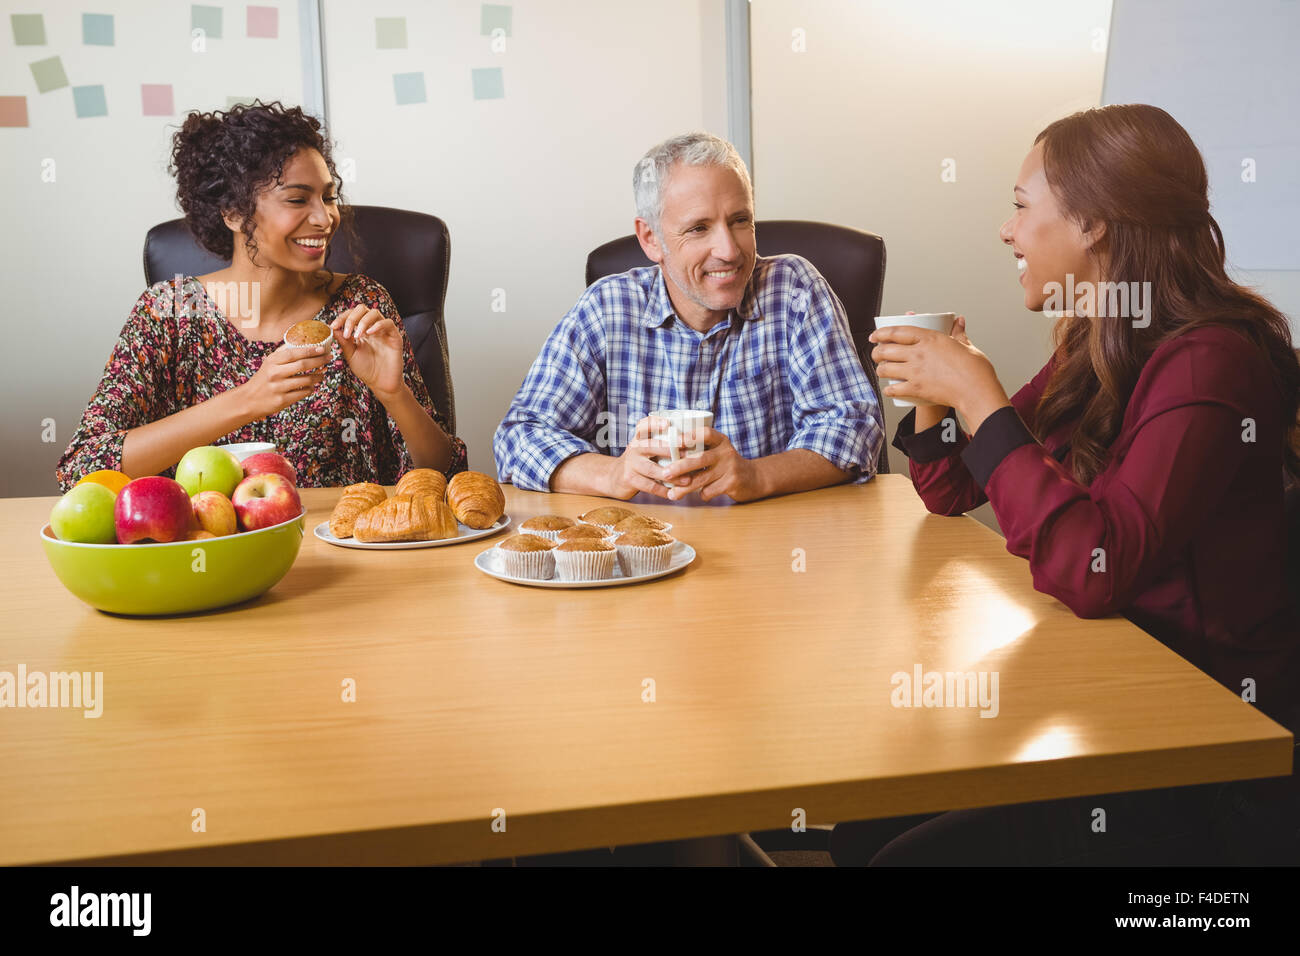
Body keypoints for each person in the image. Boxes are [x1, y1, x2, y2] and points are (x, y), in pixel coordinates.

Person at [831, 104, 1300, 866]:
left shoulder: (1208, 362)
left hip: (1198, 744)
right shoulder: (1103, 333)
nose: (1007, 232)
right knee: (866, 818)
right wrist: (938, 390)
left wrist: (980, 397)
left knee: (895, 857)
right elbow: (949, 491)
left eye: (1022, 207)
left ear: (1095, 224)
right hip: (1108, 683)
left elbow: (1095, 567)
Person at [56, 100, 465, 491]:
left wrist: (396, 396)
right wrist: (250, 398)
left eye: (328, 196)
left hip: (343, 548)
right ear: (233, 213)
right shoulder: (173, 310)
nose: (325, 218)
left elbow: (445, 472)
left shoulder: (361, 303)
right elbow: (83, 468)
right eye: (297, 199)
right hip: (214, 554)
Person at [492, 131, 883, 504]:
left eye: (740, 220)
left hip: (775, 545)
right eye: (699, 228)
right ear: (651, 239)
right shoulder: (606, 307)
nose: (728, 250)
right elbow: (519, 438)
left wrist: (756, 476)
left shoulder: (793, 290)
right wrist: (613, 475)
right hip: (646, 547)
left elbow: (855, 427)